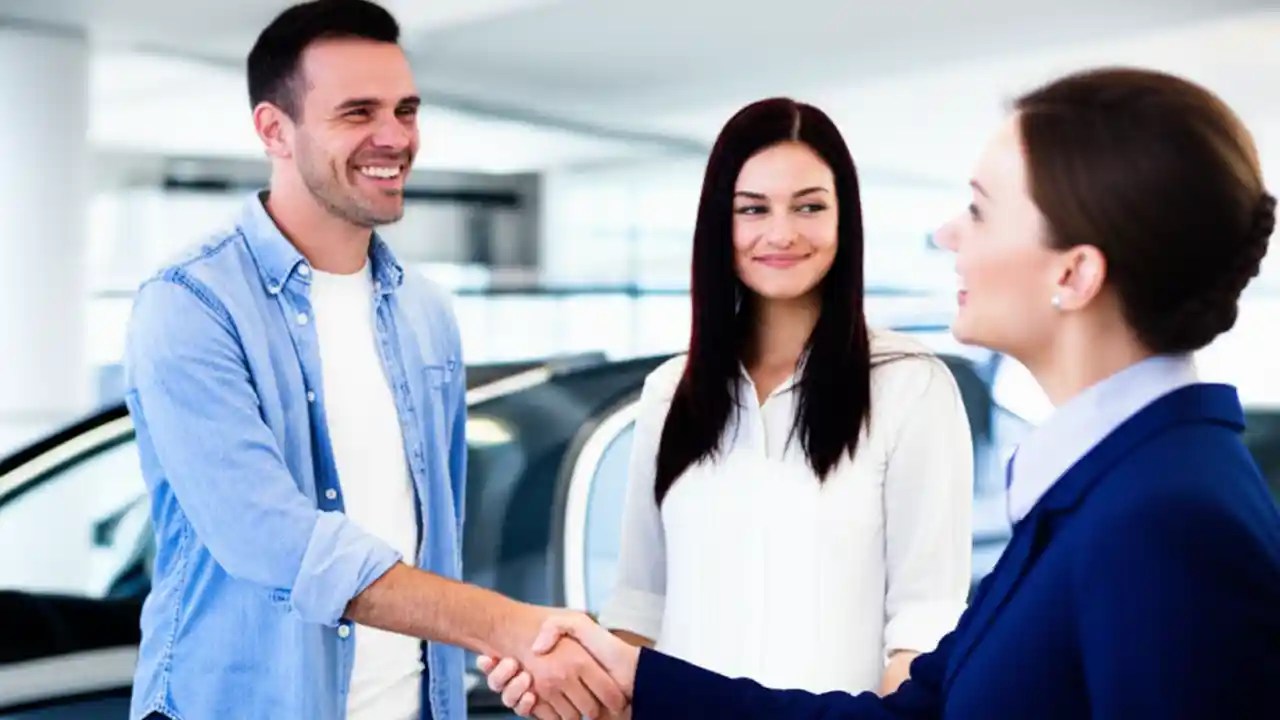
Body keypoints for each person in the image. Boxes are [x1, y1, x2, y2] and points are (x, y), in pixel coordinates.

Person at [478, 67, 1280, 719]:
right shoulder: (1097, 493)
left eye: (979, 210)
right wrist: (622, 678)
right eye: (751, 209)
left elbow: (914, 664)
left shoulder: (1168, 517)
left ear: (1074, 273)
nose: (945, 236)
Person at [123, 2, 624, 719]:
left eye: (406, 110)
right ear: (274, 129)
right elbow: (274, 542)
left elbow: (436, 541)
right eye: (358, 112)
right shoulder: (191, 305)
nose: (394, 137)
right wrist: (512, 626)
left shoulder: (426, 315)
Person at [588, 96, 973, 699]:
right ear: (722, 223)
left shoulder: (910, 385)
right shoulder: (671, 391)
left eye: (809, 207)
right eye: (753, 209)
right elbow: (639, 610)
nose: (781, 233)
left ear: (844, 218)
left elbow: (924, 626)